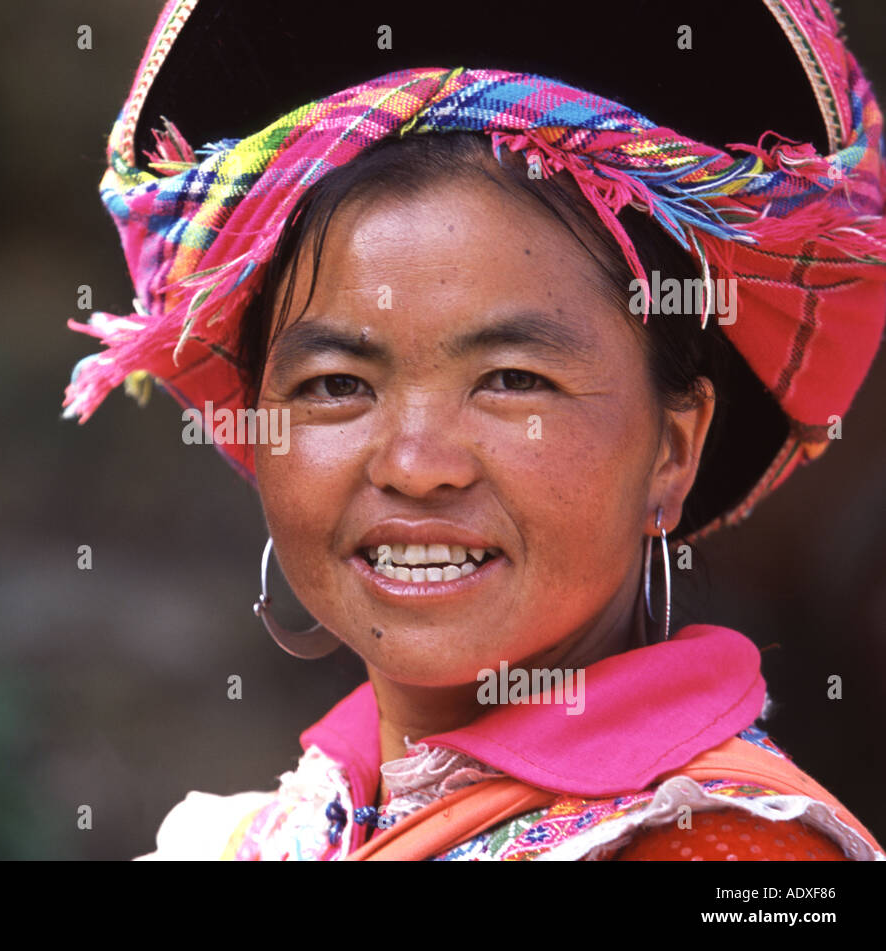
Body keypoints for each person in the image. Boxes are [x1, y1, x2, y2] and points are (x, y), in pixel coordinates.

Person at [64, 0, 886, 860]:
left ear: (671, 453)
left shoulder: (727, 849)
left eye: (511, 381)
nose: (417, 466)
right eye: (337, 383)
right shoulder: (264, 837)